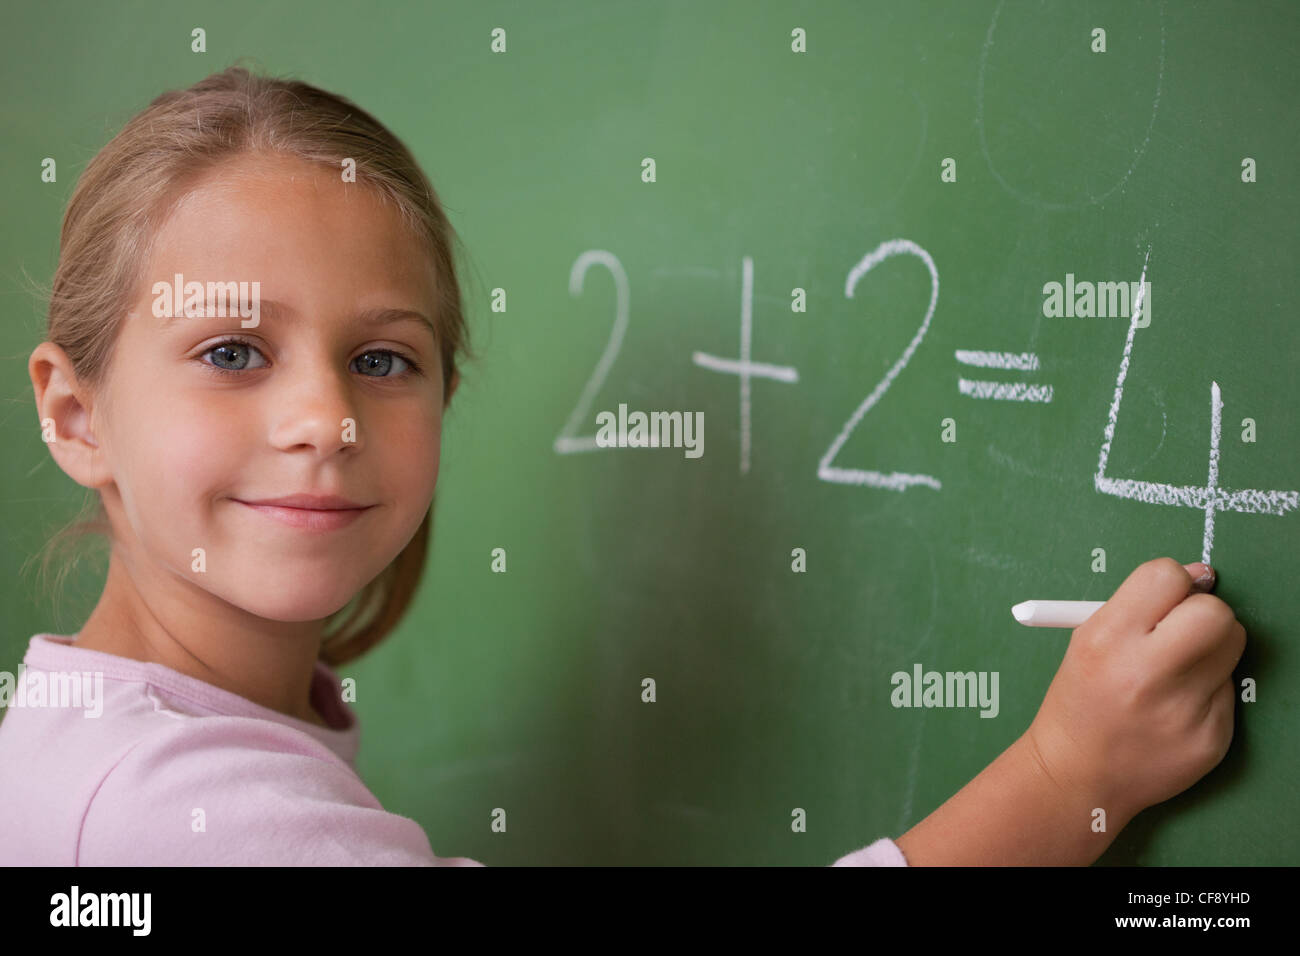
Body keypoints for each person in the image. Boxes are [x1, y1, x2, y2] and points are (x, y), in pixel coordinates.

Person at [1, 66, 1246, 865]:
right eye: (232, 348)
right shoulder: (181, 813)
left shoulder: (101, 739)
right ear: (76, 413)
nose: (323, 416)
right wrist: (1067, 776)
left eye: (384, 358)